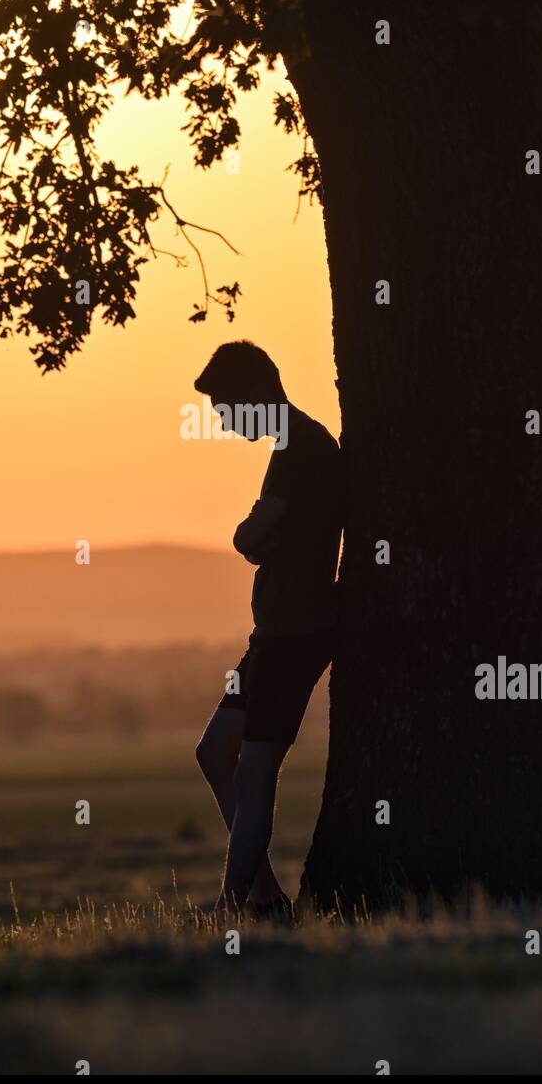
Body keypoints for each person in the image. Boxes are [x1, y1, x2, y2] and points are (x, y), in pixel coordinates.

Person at [193, 340, 342, 917]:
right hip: (271, 636)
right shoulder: (292, 445)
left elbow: (253, 537)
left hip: (294, 635)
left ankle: (235, 904)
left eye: (227, 409)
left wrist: (250, 534)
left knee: (254, 768)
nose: (226, 424)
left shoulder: (300, 449)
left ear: (256, 393)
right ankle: (263, 895)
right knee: (214, 753)